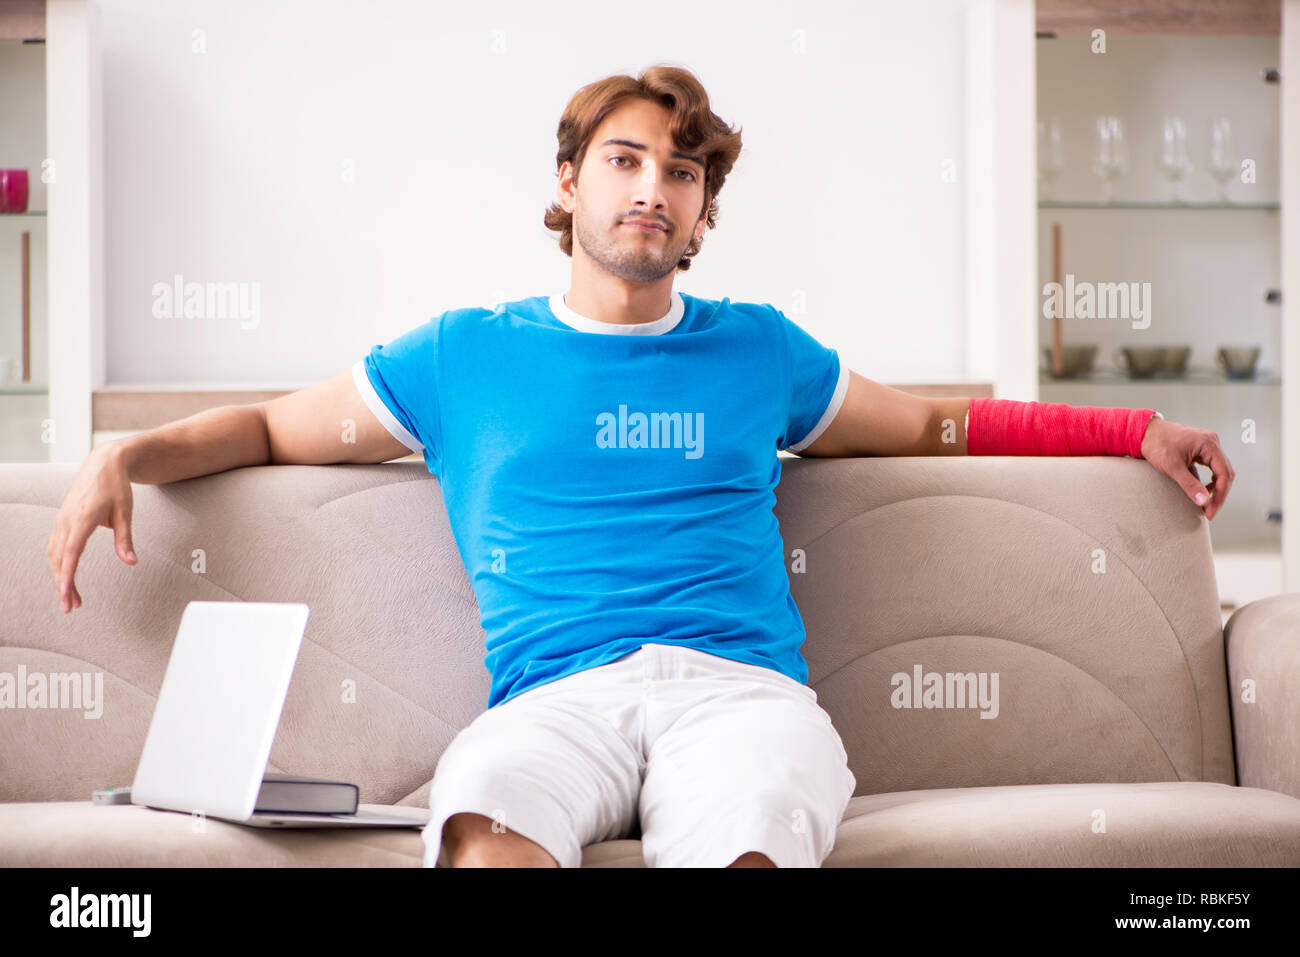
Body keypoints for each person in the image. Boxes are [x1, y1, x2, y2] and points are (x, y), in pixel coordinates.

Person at [47, 64, 1235, 869]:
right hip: (553, 704)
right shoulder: (462, 355)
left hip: (740, 697)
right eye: (624, 161)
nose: (651, 191)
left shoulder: (760, 350)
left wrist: (1127, 431)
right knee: (482, 825)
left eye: (680, 173)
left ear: (703, 210)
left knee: (753, 833)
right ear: (568, 185)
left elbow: (941, 428)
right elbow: (263, 429)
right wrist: (128, 451)